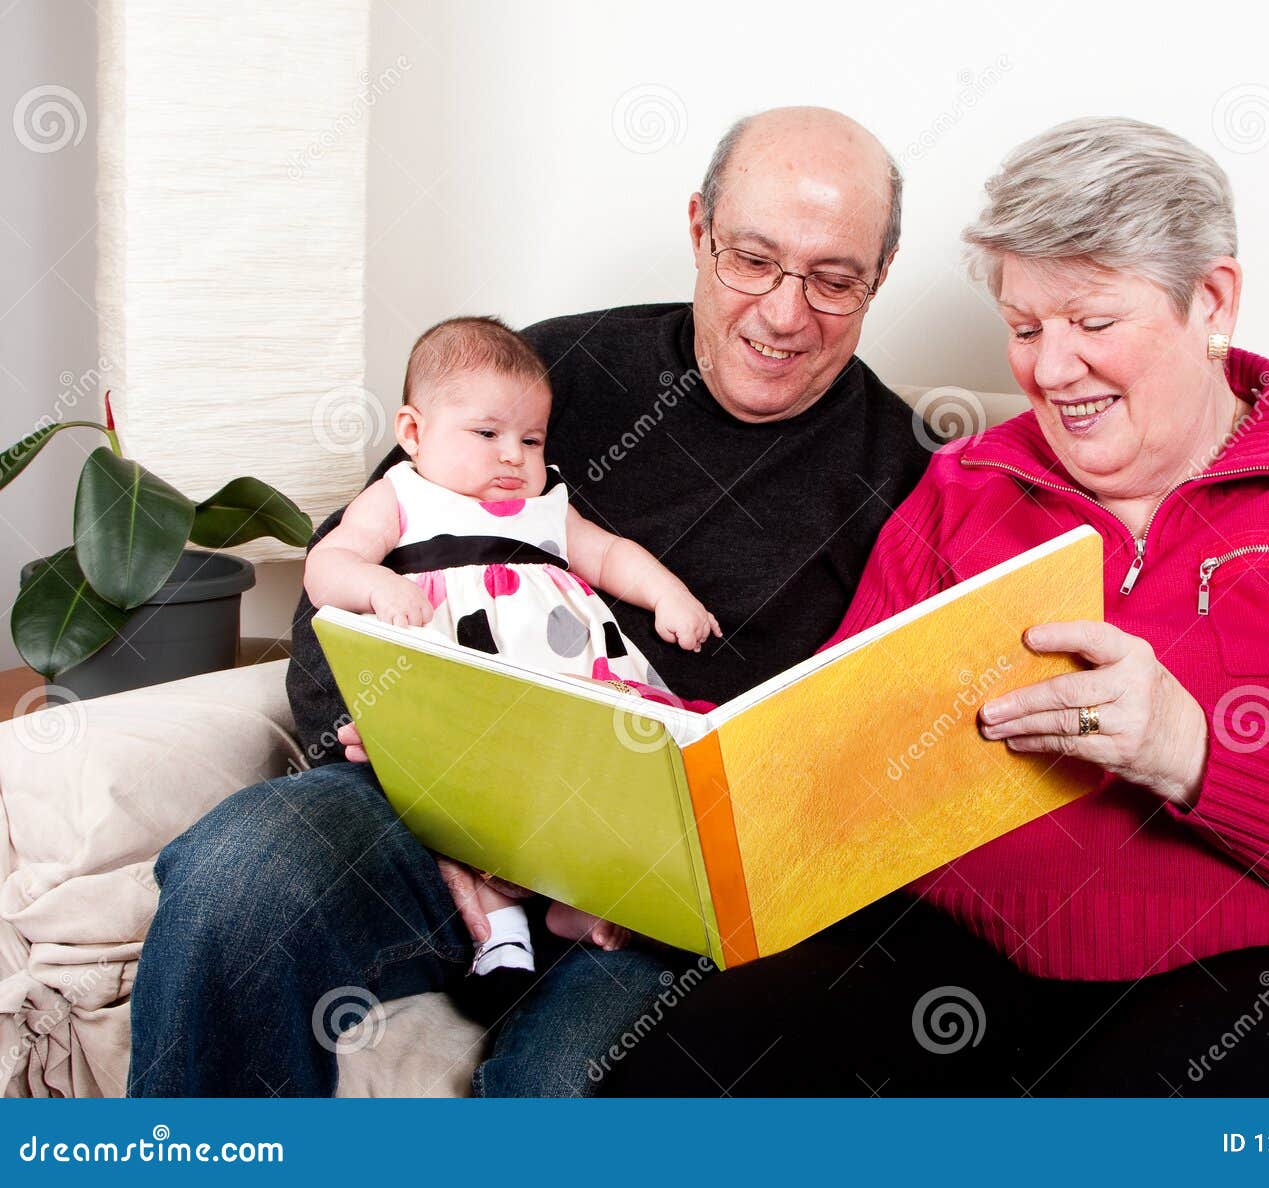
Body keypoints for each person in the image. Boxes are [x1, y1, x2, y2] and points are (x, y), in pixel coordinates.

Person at [597, 117, 1269, 1097]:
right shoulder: (966, 486)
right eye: (1026, 327)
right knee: (680, 1069)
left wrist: (1191, 750)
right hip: (980, 984)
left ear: (1209, 301)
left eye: (1091, 322)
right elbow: (841, 755)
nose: (1048, 369)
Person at [126, 106, 931, 1097]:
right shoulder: (548, 375)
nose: (782, 312)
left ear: (880, 277)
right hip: (430, 803)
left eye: (834, 279)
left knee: (566, 1089)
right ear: (696, 229)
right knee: (235, 884)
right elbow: (343, 581)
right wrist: (434, 802)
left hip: (656, 901)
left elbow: (878, 761)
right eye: (752, 260)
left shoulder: (906, 473)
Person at [304, 315, 722, 976]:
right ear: (413, 432)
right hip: (469, 700)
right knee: (472, 799)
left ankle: (587, 899)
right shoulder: (403, 496)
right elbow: (327, 567)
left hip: (568, 698)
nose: (513, 456)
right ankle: (501, 938)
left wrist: (669, 595)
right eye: (487, 433)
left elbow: (610, 555)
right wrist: (376, 585)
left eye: (531, 439)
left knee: (609, 780)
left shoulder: (547, 506)